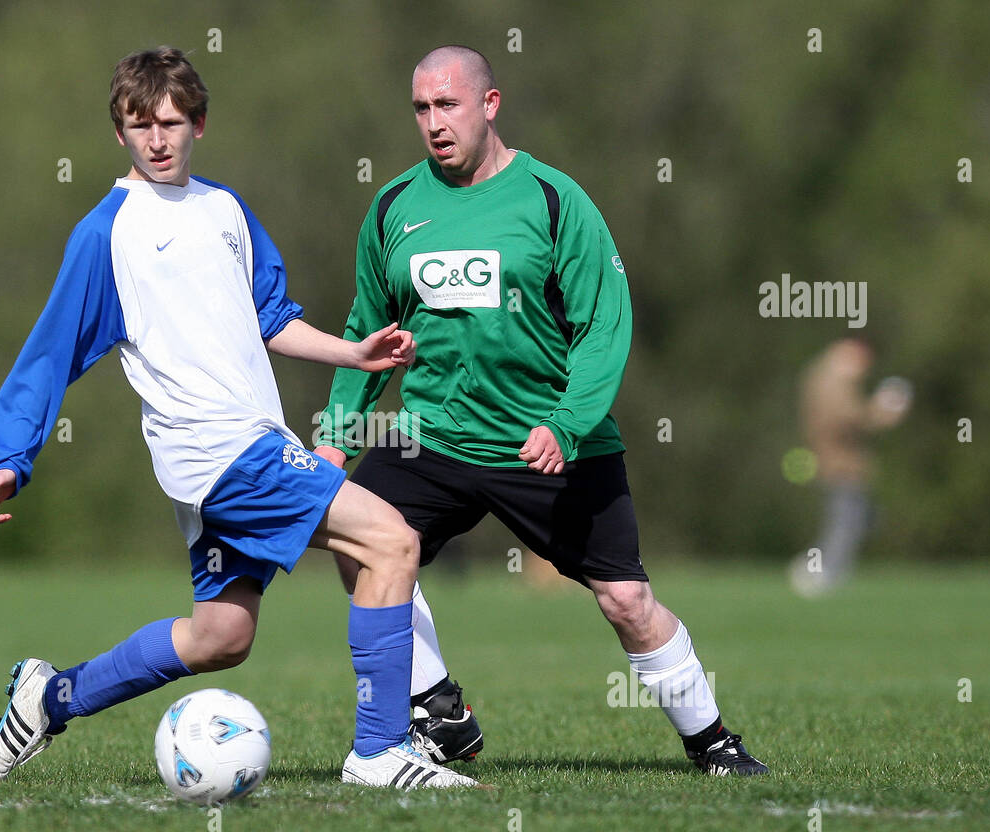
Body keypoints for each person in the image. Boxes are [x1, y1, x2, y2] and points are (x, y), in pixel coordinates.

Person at [0, 47, 476, 791]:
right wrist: (9, 455)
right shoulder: (106, 234)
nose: (157, 139)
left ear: (199, 122)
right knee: (392, 541)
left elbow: (271, 316)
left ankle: (47, 697)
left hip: (242, 450)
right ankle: (380, 749)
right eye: (139, 125)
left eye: (171, 122)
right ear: (119, 133)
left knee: (222, 636)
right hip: (218, 455)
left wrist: (354, 353)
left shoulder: (226, 210)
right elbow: (49, 352)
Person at [312, 45, 768, 775]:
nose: (433, 123)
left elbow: (604, 327)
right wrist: (336, 436)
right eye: (421, 109)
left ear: (490, 105)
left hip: (551, 442)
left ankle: (712, 741)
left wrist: (567, 421)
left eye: (448, 105)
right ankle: (437, 709)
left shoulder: (555, 200)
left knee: (627, 601)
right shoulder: (395, 206)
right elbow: (370, 330)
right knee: (352, 537)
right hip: (433, 435)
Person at [790, 337, 912, 596]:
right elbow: (848, 419)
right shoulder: (832, 384)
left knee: (854, 517)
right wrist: (880, 412)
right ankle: (820, 572)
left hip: (837, 460)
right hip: (840, 463)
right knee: (846, 520)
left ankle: (821, 569)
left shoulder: (823, 379)